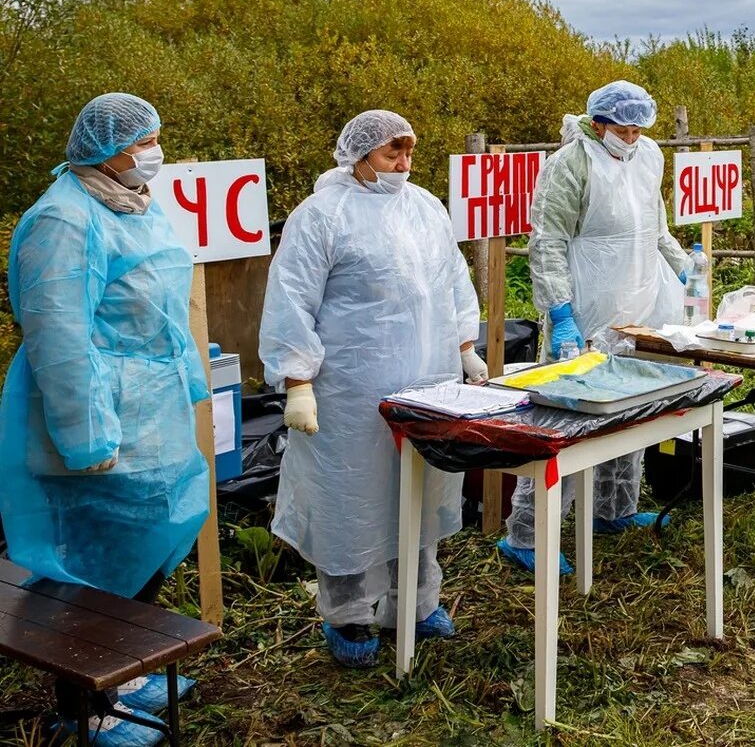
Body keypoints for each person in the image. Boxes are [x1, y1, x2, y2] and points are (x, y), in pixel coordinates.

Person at [0, 93, 208, 743]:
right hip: (95, 427)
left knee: (139, 559)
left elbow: (164, 307)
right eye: (140, 140)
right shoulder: (62, 220)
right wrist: (87, 435)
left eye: (154, 137)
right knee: (85, 573)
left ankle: (118, 674)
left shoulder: (136, 205)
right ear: (101, 148)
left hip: (151, 416)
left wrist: (187, 385)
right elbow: (58, 338)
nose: (152, 151)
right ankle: (83, 709)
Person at [259, 110, 484, 669]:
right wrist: (297, 382)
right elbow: (291, 302)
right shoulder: (322, 216)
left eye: (409, 154)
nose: (403, 165)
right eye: (391, 155)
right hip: (350, 391)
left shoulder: (425, 207)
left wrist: (464, 346)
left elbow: (452, 280)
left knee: (421, 487)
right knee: (352, 499)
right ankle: (351, 614)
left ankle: (416, 601)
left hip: (429, 381)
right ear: (358, 156)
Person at [498, 81, 687, 573]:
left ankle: (614, 508)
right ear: (598, 122)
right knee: (565, 419)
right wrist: (560, 313)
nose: (632, 136)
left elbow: (656, 224)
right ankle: (527, 534)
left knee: (631, 404)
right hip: (585, 302)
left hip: (638, 299)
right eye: (623, 127)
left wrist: (682, 266)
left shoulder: (648, 157)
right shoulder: (570, 163)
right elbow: (549, 241)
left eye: (639, 128)